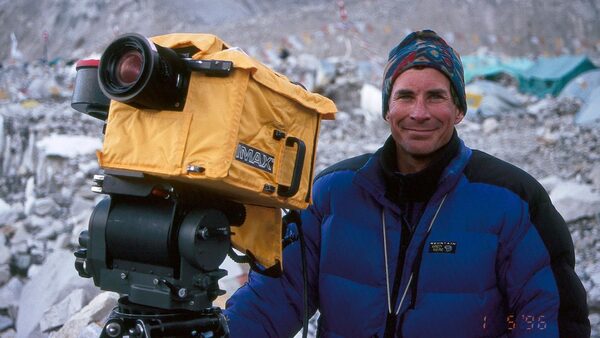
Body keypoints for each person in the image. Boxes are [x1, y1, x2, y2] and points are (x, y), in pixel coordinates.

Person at [224, 30, 591, 337]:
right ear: (386, 108)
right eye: (405, 96)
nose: (419, 112)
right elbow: (273, 298)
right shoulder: (334, 193)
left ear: (459, 109)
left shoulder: (512, 199)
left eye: (436, 96)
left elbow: (549, 316)